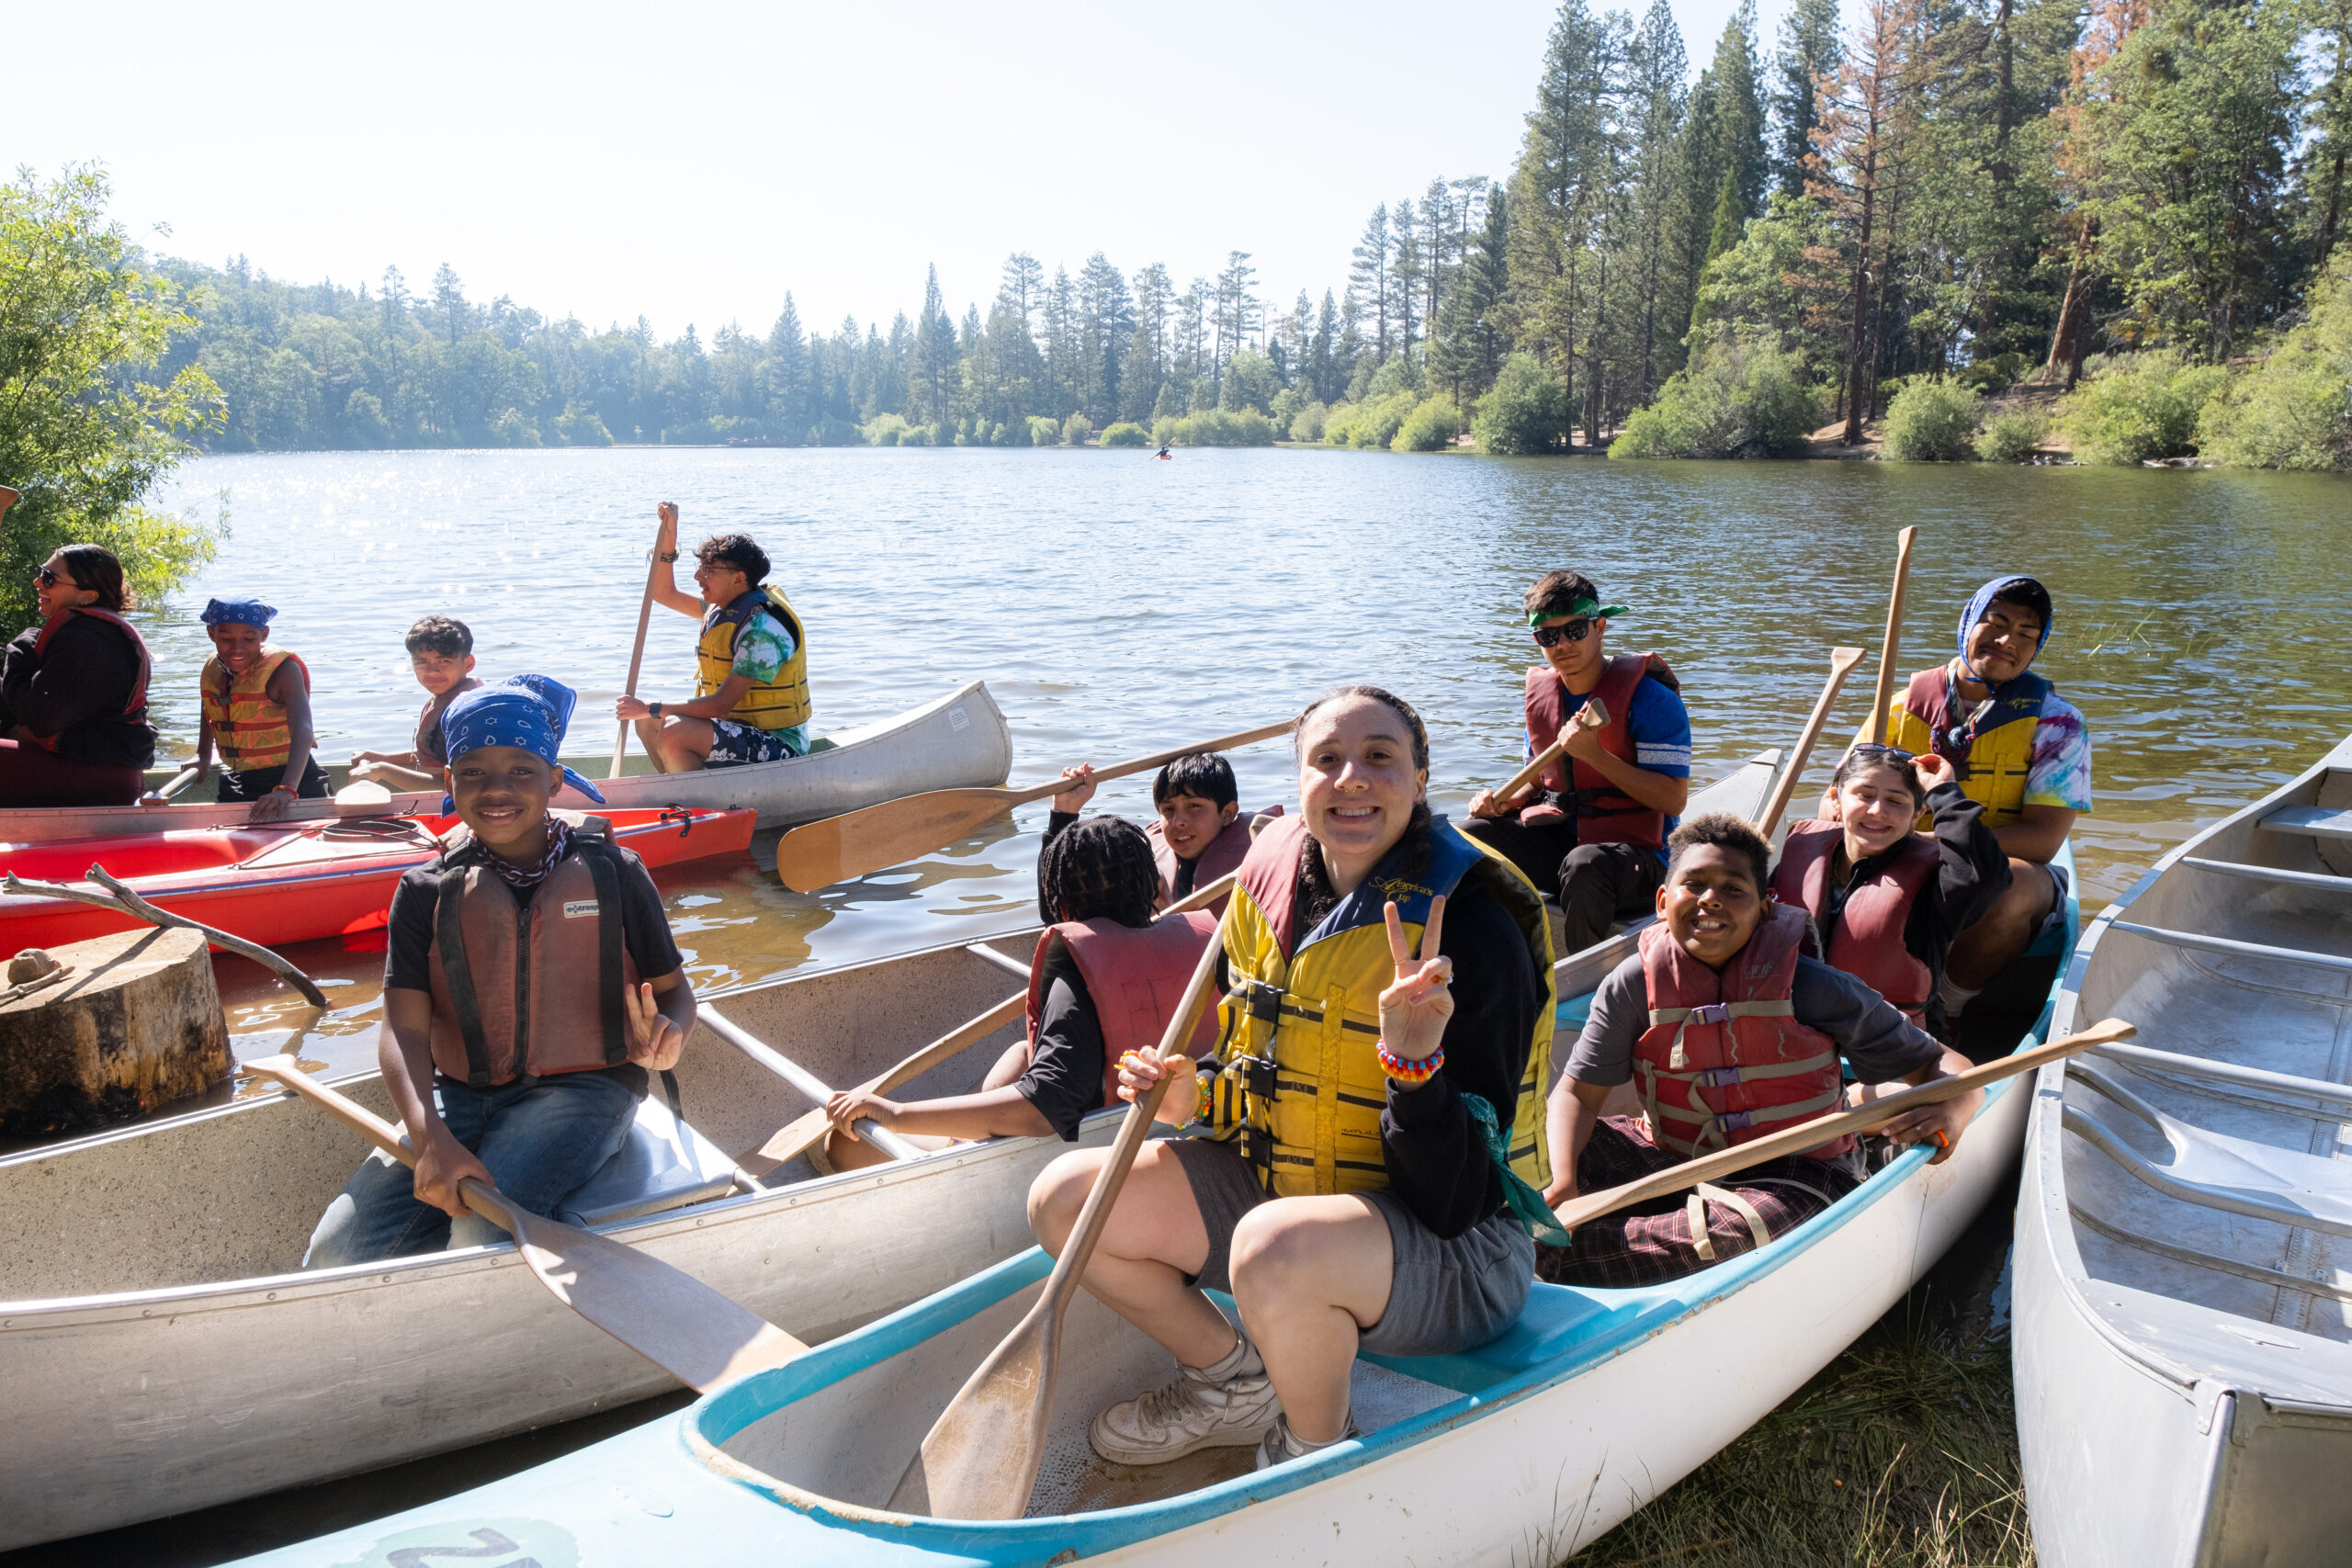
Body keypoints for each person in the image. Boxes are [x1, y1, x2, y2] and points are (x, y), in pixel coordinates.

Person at [1026, 686, 1557, 1472]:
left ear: (1419, 779)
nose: (1352, 778)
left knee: (1273, 1248)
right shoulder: (1271, 883)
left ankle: (1314, 1450)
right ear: (1300, 777)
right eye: (1328, 759)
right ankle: (1233, 1382)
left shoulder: (1472, 926)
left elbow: (1459, 1201)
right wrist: (1195, 1095)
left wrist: (1413, 1068)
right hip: (1294, 1200)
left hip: (1460, 1251)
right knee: (1068, 1199)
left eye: (1380, 757)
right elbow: (1257, 1069)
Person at [302, 675, 696, 1268]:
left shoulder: (615, 872)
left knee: (479, 1239)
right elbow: (403, 1028)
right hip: (459, 1096)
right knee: (336, 1251)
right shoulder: (424, 889)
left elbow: (676, 995)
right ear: (449, 782)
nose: (497, 790)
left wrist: (669, 1037)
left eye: (521, 771)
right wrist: (430, 1135)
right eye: (474, 772)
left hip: (585, 1090)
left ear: (555, 780)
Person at [1535, 814, 1981, 1287]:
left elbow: (1948, 1065)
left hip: (1798, 1174)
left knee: (1742, 1230)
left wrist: (1955, 1109)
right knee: (1521, 1152)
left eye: (1733, 889)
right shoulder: (1631, 983)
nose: (1711, 899)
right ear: (1663, 901)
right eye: (1695, 884)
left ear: (1765, 908)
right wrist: (1563, 1178)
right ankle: (1583, 1237)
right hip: (1669, 1153)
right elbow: (1578, 1095)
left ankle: (1554, 1251)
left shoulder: (1813, 986)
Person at [818, 815, 1221, 1173]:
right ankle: (964, 1133)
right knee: (1021, 1052)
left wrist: (896, 1113)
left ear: (1060, 902)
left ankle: (960, 1145)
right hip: (1188, 1114)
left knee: (839, 1144)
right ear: (1151, 884)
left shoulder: (1078, 972)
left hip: (1093, 1152)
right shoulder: (1204, 942)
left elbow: (1044, 1108)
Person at [1868, 576, 2090, 1019]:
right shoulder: (1900, 706)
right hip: (1902, 850)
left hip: (1988, 860)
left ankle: (1945, 1007)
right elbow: (1839, 799)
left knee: (2017, 885)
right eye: (1996, 623)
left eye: (2027, 635)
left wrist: (1932, 846)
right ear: (1968, 622)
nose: (2008, 641)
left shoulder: (2058, 723)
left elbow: (2044, 842)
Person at [1463, 570, 1692, 957]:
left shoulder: (1651, 700)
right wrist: (1501, 802)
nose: (1562, 644)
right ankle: (1493, 955)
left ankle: (1583, 980)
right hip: (1569, 845)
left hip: (1642, 858)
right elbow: (1537, 782)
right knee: (1471, 834)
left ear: (1599, 627)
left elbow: (1673, 800)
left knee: (1585, 864)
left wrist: (1596, 756)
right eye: (1548, 636)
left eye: (1575, 630)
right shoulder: (1544, 700)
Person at [1772, 744, 2009, 1046]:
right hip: (1796, 1034)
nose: (1877, 811)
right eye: (1865, 795)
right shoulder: (1801, 857)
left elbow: (1985, 875)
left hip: (1892, 1046)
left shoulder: (1934, 883)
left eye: (1896, 801)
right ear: (1836, 801)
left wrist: (1944, 791)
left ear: (1917, 815)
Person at [615, 502, 809, 771]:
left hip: (780, 746)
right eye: (700, 567)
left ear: (739, 578)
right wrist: (670, 536)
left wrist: (649, 706)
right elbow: (662, 593)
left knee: (672, 728)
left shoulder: (762, 631)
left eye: (708, 570)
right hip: (738, 731)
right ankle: (680, 791)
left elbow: (720, 705)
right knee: (648, 721)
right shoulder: (724, 607)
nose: (697, 576)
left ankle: (693, 806)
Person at [0, 543, 157, 807]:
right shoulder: (86, 633)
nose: (37, 582)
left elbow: (40, 718)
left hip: (94, 778)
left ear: (88, 595)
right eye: (41, 572)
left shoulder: (89, 642)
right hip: (85, 766)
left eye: (49, 578)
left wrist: (21, 647)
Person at [1041, 751, 1274, 915]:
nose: (1178, 821)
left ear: (1228, 813)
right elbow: (1058, 908)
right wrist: (1064, 814)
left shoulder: (1260, 860)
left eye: (1194, 807)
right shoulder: (1144, 865)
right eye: (1168, 810)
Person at [194, 597, 326, 821]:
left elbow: (303, 728)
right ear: (211, 634)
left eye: (248, 639)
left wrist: (287, 789)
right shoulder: (214, 669)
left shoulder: (284, 670)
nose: (237, 648)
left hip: (296, 779)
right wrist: (202, 755)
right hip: (240, 778)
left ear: (263, 635)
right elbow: (211, 707)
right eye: (226, 638)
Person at [350, 615, 482, 791]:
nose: (432, 671)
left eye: (444, 661)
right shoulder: (444, 695)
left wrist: (383, 770)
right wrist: (386, 759)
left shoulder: (466, 712)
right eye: (422, 662)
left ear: (468, 663)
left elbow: (463, 786)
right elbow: (436, 754)